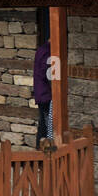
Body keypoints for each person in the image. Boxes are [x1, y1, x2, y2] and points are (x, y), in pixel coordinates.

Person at [33, 10, 53, 147]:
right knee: (46, 125)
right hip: (46, 94)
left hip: (43, 93)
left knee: (44, 123)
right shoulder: (47, 51)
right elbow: (47, 72)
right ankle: (42, 154)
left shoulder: (42, 49)